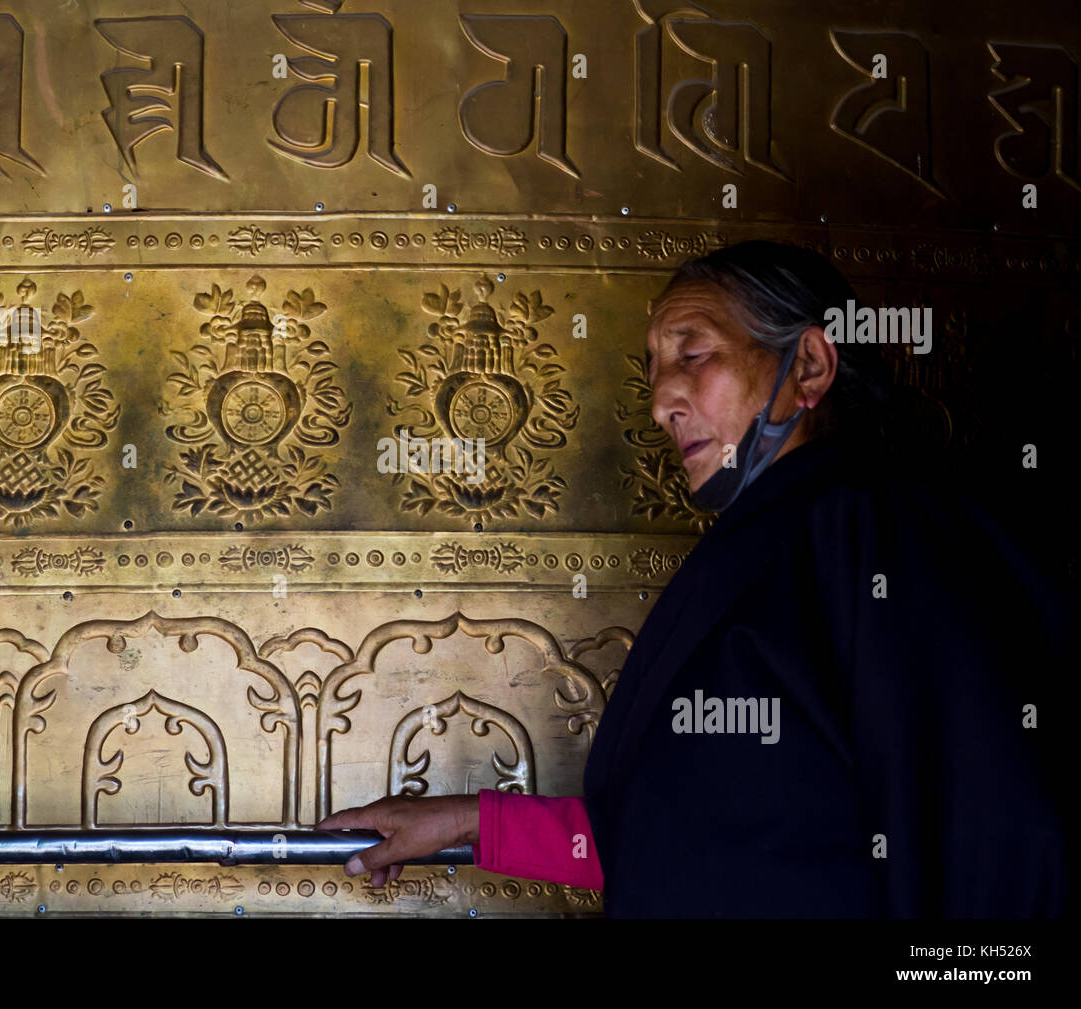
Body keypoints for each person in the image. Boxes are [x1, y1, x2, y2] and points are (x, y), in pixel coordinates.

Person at [317, 241, 1070, 917]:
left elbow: (994, 824)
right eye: (653, 368)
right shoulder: (763, 547)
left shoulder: (878, 527)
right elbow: (688, 837)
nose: (660, 400)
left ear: (808, 364)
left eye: (693, 354)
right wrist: (468, 822)